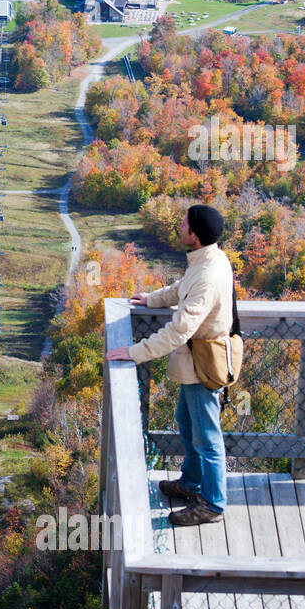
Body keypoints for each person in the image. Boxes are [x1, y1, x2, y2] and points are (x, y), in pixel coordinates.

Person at [103, 204, 233, 526]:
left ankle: (213, 505)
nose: (180, 225)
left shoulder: (208, 274)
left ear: (196, 235)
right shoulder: (207, 260)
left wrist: (134, 352)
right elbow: (182, 290)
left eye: (184, 223)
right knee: (187, 422)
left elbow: (179, 330)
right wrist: (153, 299)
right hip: (194, 363)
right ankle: (190, 483)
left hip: (203, 365)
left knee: (207, 436)